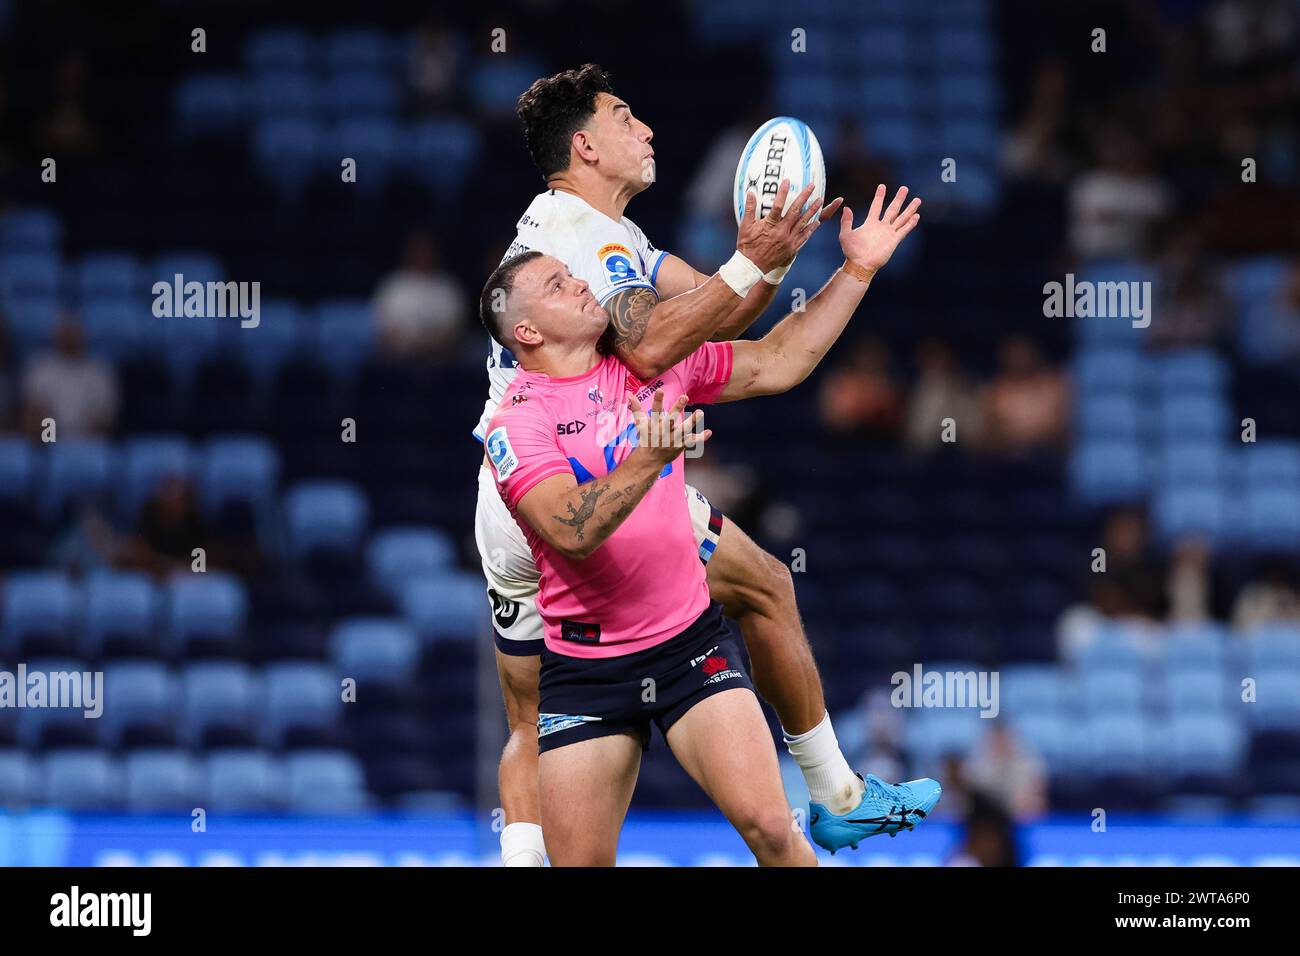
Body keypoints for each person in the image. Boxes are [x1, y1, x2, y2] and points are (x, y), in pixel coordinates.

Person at [473, 63, 931, 864]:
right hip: (559, 478)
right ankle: (835, 795)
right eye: (625, 117)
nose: (646, 131)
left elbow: (728, 316)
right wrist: (753, 262)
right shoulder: (575, 244)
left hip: (554, 481)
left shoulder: (612, 238)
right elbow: (658, 338)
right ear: (584, 145)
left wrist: (795, 253)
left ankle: (834, 799)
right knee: (763, 584)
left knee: (529, 718)